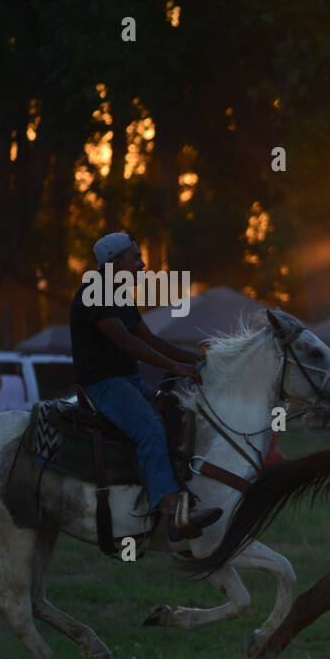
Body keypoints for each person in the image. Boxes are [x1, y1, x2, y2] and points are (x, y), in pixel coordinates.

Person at [69, 231, 221, 539]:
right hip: (104, 385)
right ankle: (168, 510)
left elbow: (149, 340)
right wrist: (177, 367)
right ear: (114, 262)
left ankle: (170, 492)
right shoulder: (93, 293)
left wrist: (201, 360)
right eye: (135, 258)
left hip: (128, 381)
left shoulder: (120, 294)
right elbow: (127, 342)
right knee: (150, 428)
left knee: (175, 418)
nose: (141, 264)